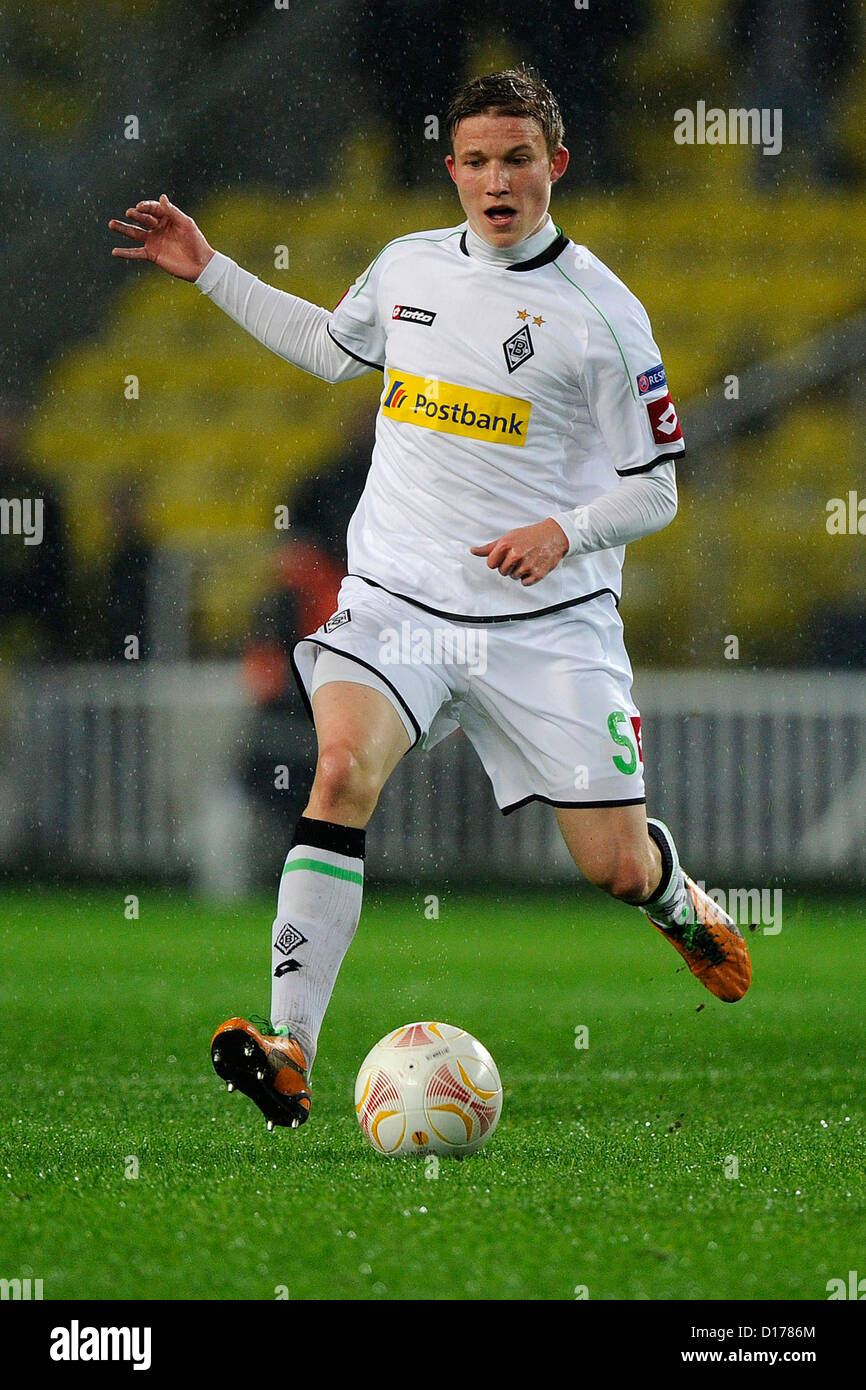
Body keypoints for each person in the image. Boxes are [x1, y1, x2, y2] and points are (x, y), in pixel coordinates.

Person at [110, 68, 751, 1134]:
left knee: (611, 865)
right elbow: (330, 351)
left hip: (546, 624)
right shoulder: (408, 264)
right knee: (339, 769)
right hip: (399, 599)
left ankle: (670, 892)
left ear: (556, 164)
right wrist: (210, 268)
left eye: (518, 159)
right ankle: (291, 1049)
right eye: (477, 161)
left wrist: (563, 532)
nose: (497, 181)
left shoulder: (601, 313)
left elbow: (657, 488)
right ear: (450, 168)